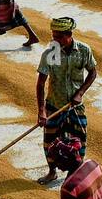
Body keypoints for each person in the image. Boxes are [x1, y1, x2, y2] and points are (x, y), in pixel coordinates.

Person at [35, 17, 96, 186]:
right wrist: (41, 111)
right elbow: (41, 83)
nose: (55, 40)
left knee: (79, 139)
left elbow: (92, 73)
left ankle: (75, 173)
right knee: (50, 141)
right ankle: (52, 172)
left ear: (69, 35)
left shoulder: (84, 50)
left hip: (75, 107)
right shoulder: (50, 53)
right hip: (54, 104)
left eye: (59, 37)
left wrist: (80, 92)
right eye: (53, 36)